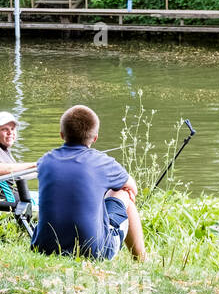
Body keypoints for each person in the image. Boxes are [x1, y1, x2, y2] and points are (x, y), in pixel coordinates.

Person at [32, 105, 145, 261]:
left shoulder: (45, 161)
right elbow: (132, 188)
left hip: (44, 248)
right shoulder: (103, 162)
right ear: (95, 138)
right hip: (94, 252)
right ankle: (141, 260)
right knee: (123, 193)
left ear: (61, 135)